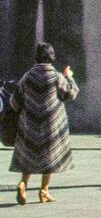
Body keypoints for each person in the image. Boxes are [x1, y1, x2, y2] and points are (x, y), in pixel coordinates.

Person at [10, 42, 78, 204]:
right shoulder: (56, 76)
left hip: (30, 123)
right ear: (51, 56)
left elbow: (15, 101)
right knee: (50, 156)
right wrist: (69, 76)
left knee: (29, 156)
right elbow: (71, 94)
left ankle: (23, 184)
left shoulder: (28, 76)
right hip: (51, 123)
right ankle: (44, 191)